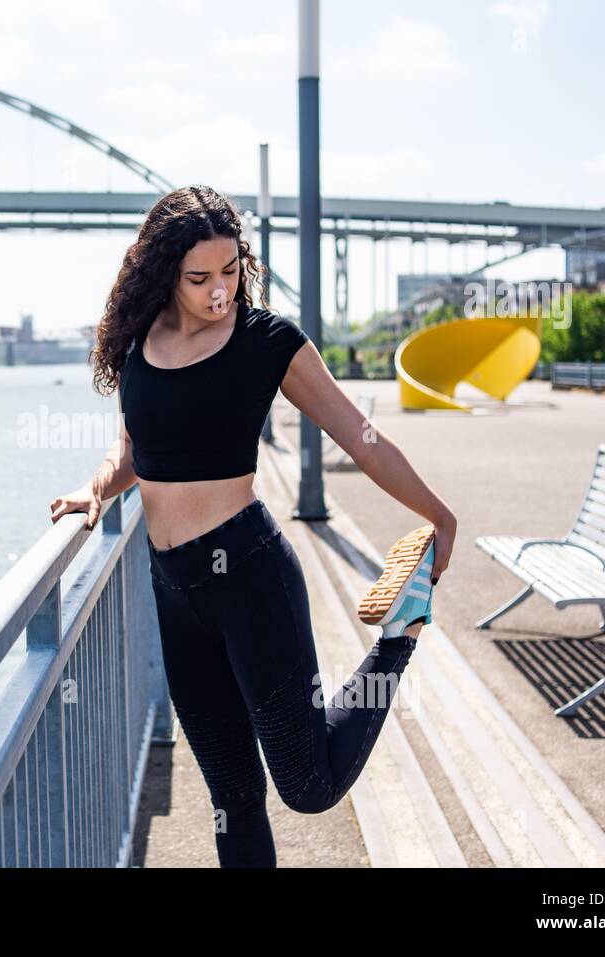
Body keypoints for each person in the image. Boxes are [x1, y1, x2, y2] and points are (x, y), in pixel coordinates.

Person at [48, 185, 458, 867]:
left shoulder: (267, 341)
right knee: (232, 796)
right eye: (199, 277)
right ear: (164, 272)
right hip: (175, 592)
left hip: (250, 577)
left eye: (230, 271)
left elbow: (361, 435)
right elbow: (134, 451)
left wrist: (437, 515)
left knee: (308, 785)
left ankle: (400, 632)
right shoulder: (140, 341)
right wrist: (94, 488)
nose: (218, 291)